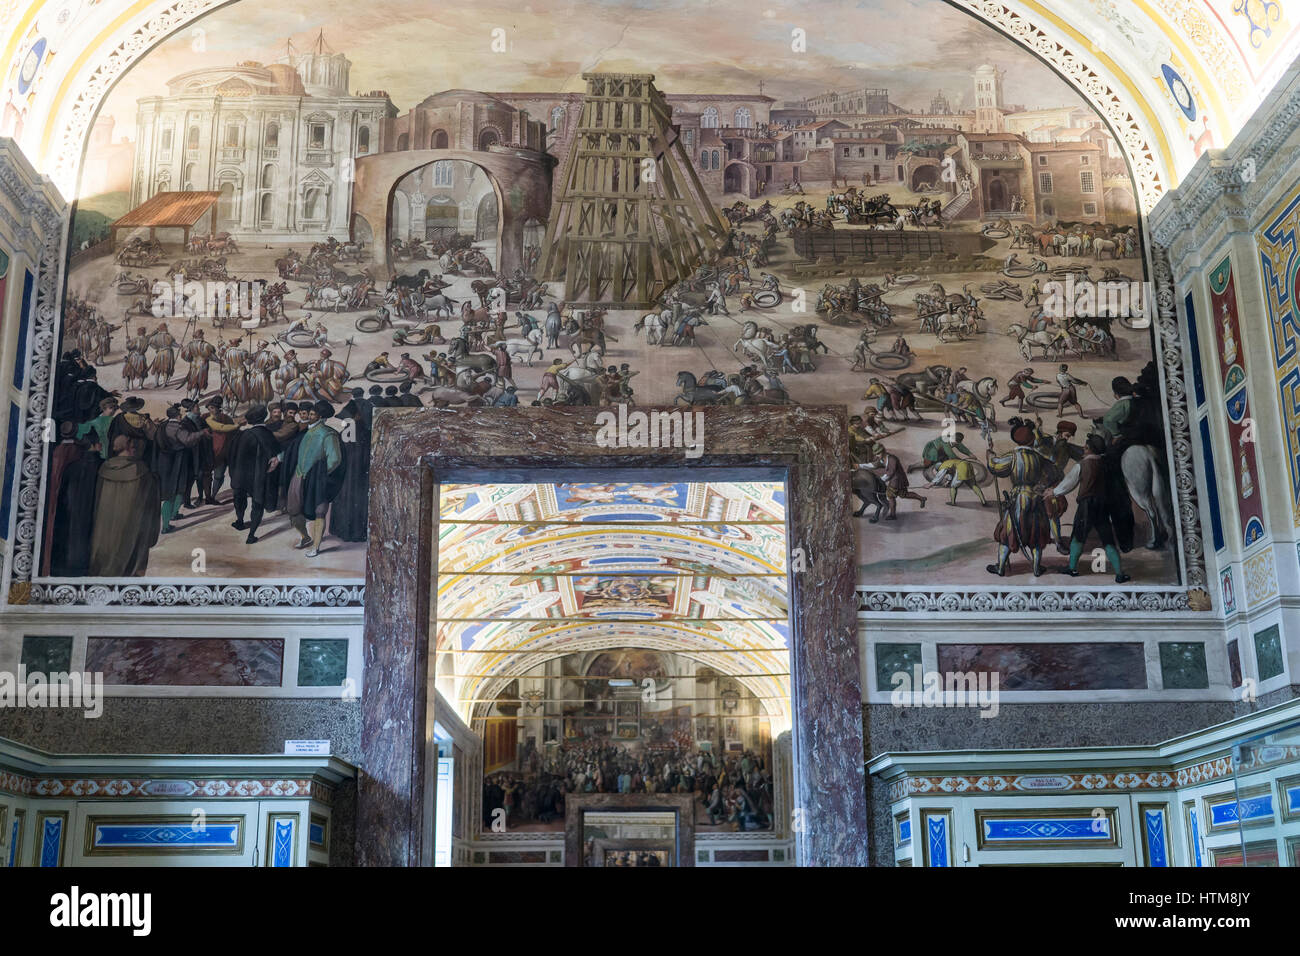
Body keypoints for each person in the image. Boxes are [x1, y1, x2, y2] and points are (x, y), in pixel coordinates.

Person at [1052, 433, 1131, 582]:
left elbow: (1068, 484)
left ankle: (1072, 568)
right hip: (1103, 505)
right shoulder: (1106, 465)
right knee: (1108, 540)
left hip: (1086, 505)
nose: (1083, 448)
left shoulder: (1081, 465)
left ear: (1090, 449)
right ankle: (1120, 574)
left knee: (1078, 537)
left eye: (1086, 447)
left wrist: (1054, 492)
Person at [986, 419, 1053, 577]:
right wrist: (1041, 487)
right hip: (1036, 498)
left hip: (1018, 498)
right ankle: (1036, 568)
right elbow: (1053, 473)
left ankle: (1001, 567)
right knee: (1035, 533)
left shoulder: (1013, 456)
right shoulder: (1038, 458)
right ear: (1031, 440)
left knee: (1009, 531)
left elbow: (995, 466)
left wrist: (990, 455)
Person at [88, 434, 161, 576]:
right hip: (132, 530)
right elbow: (151, 508)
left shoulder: (104, 468)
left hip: (104, 529)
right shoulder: (142, 471)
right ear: (129, 447)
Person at [287, 400, 345, 557]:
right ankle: (306, 537)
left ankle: (316, 546)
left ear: (321, 417)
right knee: (293, 510)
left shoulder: (329, 434)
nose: (308, 416)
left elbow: (334, 459)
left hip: (318, 480)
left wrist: (320, 476)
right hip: (299, 476)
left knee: (319, 512)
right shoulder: (308, 431)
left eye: (312, 414)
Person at [228, 404, 281, 544]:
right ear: (264, 418)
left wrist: (234, 473)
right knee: (257, 504)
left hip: (241, 475)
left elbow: (232, 455)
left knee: (239, 499)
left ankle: (240, 522)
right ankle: (251, 535)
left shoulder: (242, 434)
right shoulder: (268, 435)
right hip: (259, 476)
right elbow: (276, 455)